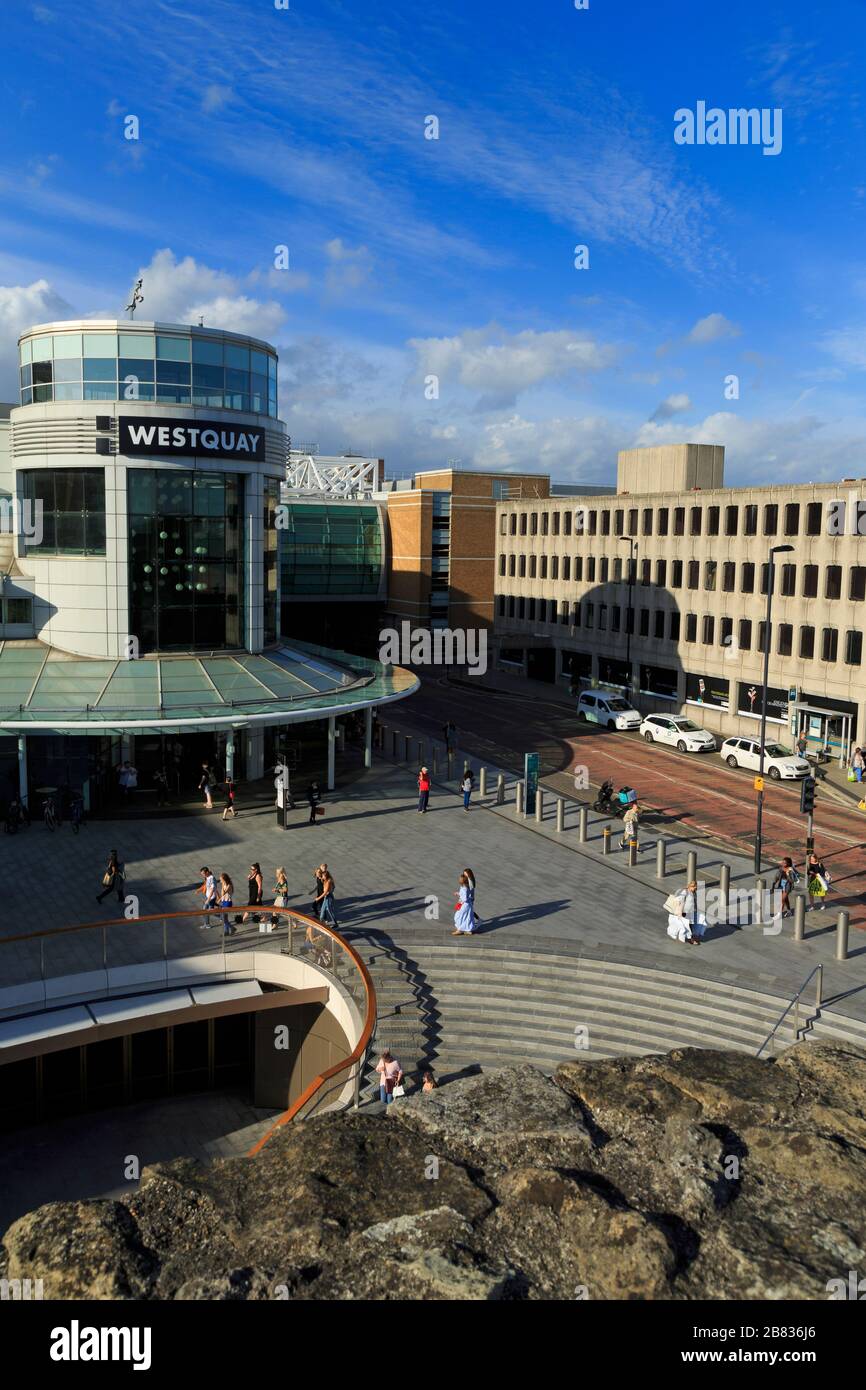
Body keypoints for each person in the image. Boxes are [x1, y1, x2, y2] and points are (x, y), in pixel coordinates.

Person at [666, 880, 706, 945]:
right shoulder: (685, 891)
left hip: (690, 913)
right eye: (694, 887)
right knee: (687, 926)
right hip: (684, 912)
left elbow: (693, 902)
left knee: (689, 925)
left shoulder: (693, 893)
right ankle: (691, 940)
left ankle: (689, 938)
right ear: (690, 886)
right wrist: (680, 912)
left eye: (695, 888)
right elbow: (679, 900)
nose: (694, 889)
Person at [315, 864, 340, 928]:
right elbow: (333, 887)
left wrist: (318, 898)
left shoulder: (328, 881)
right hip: (326, 897)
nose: (322, 877)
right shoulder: (325, 880)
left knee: (329, 910)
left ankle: (335, 924)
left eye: (323, 876)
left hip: (329, 898)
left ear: (326, 876)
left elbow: (325, 892)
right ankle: (321, 923)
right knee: (322, 910)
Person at [452, 871, 476, 936]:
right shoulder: (467, 886)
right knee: (467, 917)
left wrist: (459, 897)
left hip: (465, 905)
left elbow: (465, 898)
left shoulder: (464, 888)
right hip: (468, 904)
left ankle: (459, 930)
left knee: (459, 916)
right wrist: (459, 893)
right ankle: (468, 930)